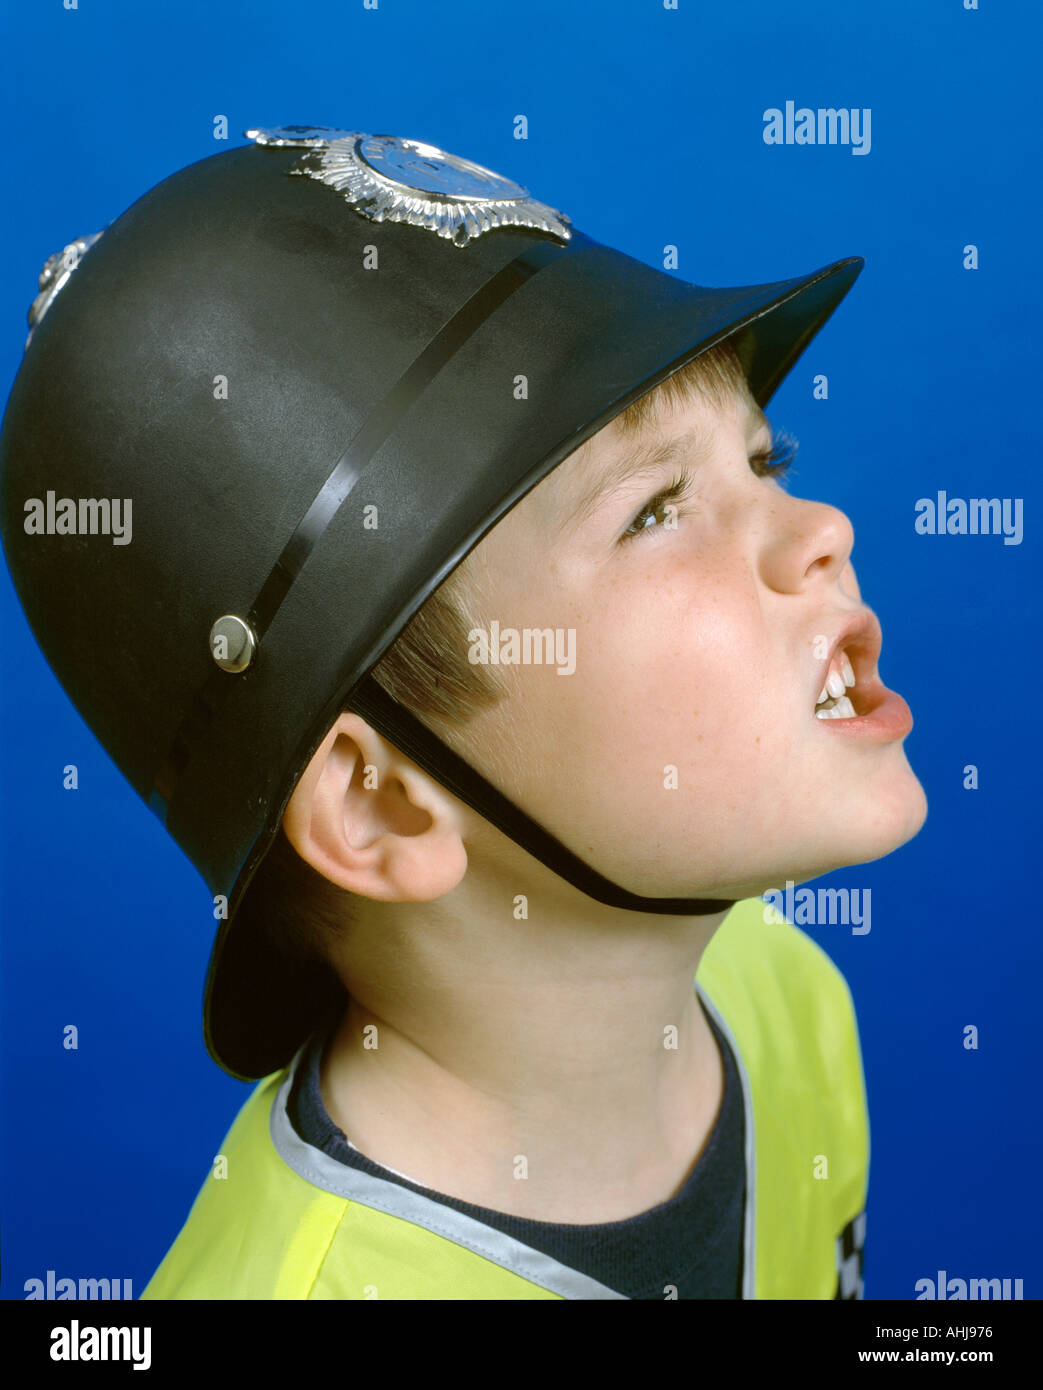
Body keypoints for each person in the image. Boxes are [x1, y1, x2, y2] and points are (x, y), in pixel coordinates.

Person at [0, 125, 926, 1300]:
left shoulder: (783, 994)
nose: (820, 529)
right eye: (654, 511)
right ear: (381, 800)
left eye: (765, 455)